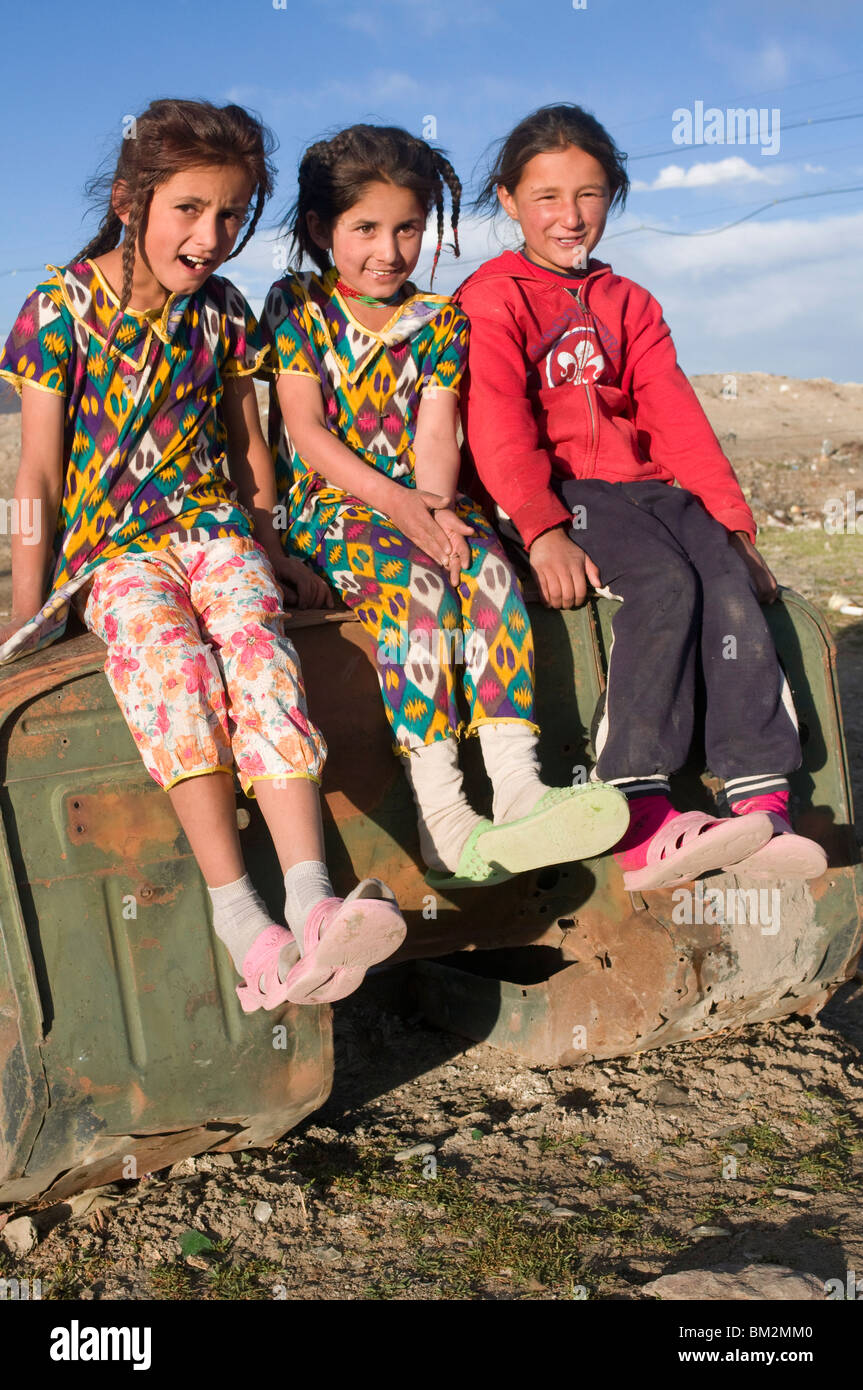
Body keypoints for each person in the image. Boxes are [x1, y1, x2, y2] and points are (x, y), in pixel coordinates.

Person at [0, 98, 407, 1009]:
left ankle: (310, 901)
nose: (211, 234)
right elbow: (33, 474)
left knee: (261, 651)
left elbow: (251, 445)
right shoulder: (58, 307)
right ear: (129, 201)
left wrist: (273, 549)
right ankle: (241, 922)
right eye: (190, 209)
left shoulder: (222, 312)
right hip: (115, 555)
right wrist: (31, 613)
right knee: (172, 668)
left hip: (215, 531)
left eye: (230, 214)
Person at [454, 103, 826, 891]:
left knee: (725, 582)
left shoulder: (630, 303)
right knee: (663, 587)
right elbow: (495, 423)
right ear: (509, 199)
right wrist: (542, 529)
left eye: (589, 194)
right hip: (568, 493)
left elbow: (675, 418)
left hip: (650, 487)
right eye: (547, 196)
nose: (570, 215)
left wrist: (734, 527)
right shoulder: (492, 299)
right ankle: (638, 812)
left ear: (611, 199)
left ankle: (760, 803)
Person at [262, 123, 629, 891]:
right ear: (319, 230)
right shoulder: (299, 306)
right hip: (336, 505)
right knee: (420, 596)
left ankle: (519, 784)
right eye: (365, 229)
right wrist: (400, 507)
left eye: (406, 228)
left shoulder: (440, 320)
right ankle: (443, 815)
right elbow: (306, 431)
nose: (388, 251)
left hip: (416, 497)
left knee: (488, 573)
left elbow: (437, 435)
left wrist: (435, 510)